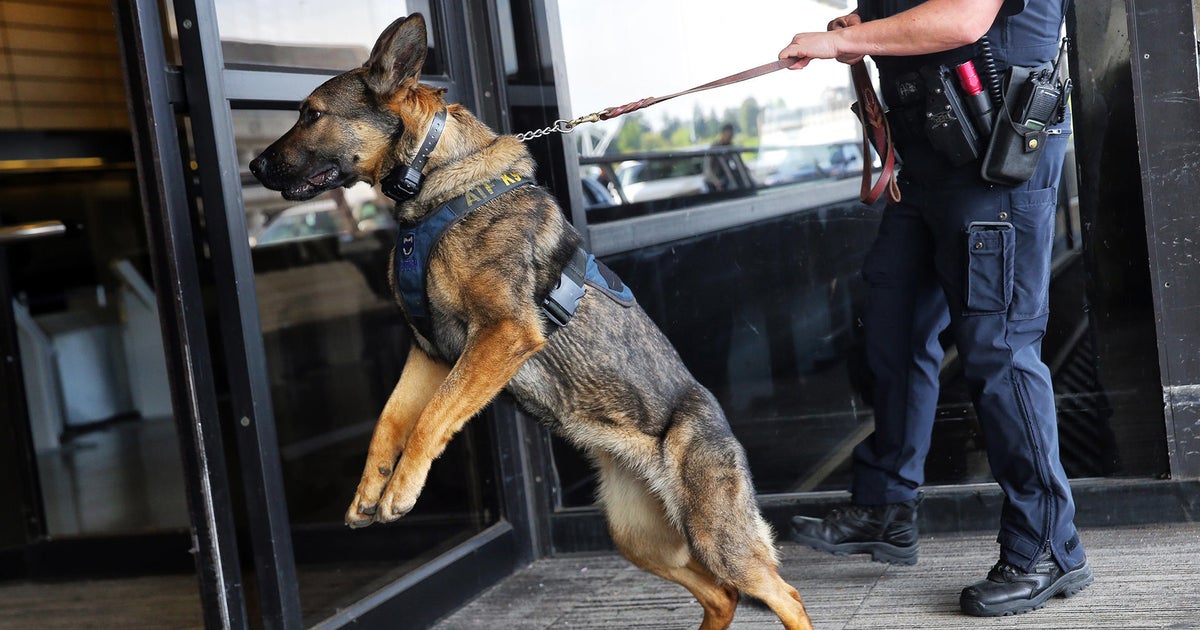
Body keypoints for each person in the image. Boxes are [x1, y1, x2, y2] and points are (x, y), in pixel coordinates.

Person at [777, 0, 1093, 618]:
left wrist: (849, 41)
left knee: (997, 351)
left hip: (994, 159)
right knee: (891, 330)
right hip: (927, 162)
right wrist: (859, 28)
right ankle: (887, 508)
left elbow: (966, 18)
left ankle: (1050, 549)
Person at [702, 123, 747, 192]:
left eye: (731, 135)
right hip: (714, 181)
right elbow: (707, 169)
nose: (730, 137)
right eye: (728, 135)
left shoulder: (731, 147)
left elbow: (739, 164)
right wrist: (715, 181)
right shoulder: (714, 148)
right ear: (723, 134)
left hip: (727, 178)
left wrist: (745, 169)